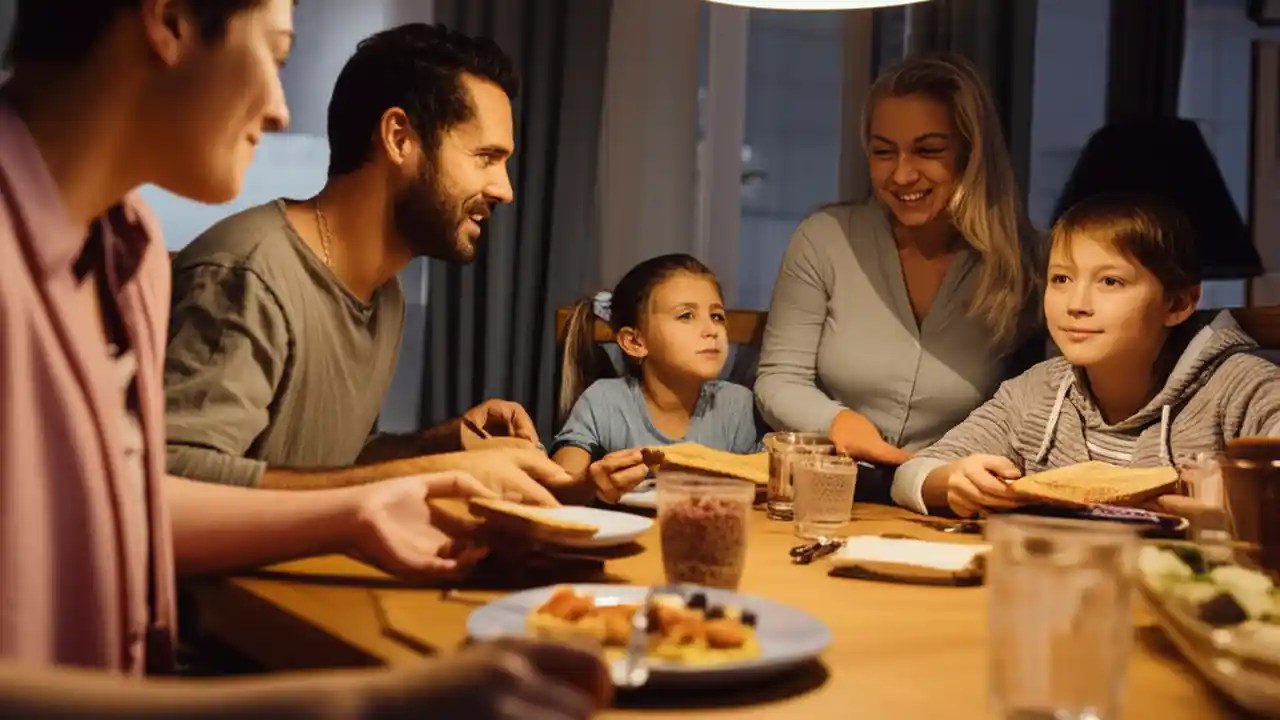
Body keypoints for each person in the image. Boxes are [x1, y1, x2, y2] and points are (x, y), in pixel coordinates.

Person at [0, 0, 607, 716]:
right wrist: (349, 700)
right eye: (278, 53)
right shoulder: (241, 271)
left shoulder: (125, 251)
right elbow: (176, 471)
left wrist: (402, 478)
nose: (284, 110)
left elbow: (136, 500)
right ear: (167, 22)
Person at [160, 22, 567, 504]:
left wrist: (442, 443)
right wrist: (440, 473)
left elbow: (330, 465)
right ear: (399, 137)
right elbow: (176, 479)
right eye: (485, 157)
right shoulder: (251, 274)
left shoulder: (382, 291)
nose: (505, 189)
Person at [753, 54, 1041, 498]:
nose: (902, 174)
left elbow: (1049, 400)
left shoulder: (1027, 263)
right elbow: (777, 377)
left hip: (949, 500)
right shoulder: (826, 238)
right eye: (884, 151)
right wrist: (837, 421)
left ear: (971, 152)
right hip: (818, 488)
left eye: (928, 150)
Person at [892, 194, 1280, 517]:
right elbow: (910, 476)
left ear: (1178, 302)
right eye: (1061, 279)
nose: (1076, 304)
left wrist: (1232, 503)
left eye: (1110, 282)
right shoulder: (1036, 392)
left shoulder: (1241, 388)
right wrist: (953, 481)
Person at [550, 254, 760, 504]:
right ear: (635, 342)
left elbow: (764, 489)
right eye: (686, 315)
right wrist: (592, 484)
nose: (711, 330)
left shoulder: (736, 405)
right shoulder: (603, 401)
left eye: (717, 316)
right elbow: (559, 488)